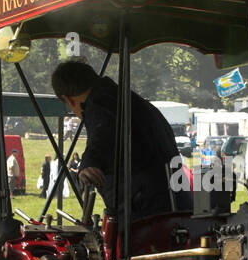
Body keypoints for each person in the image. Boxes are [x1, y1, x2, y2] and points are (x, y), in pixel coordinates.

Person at [51, 60, 188, 218]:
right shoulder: (127, 99)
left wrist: (89, 164)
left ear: (68, 100)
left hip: (147, 213)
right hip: (177, 204)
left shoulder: (99, 104)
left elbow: (104, 132)